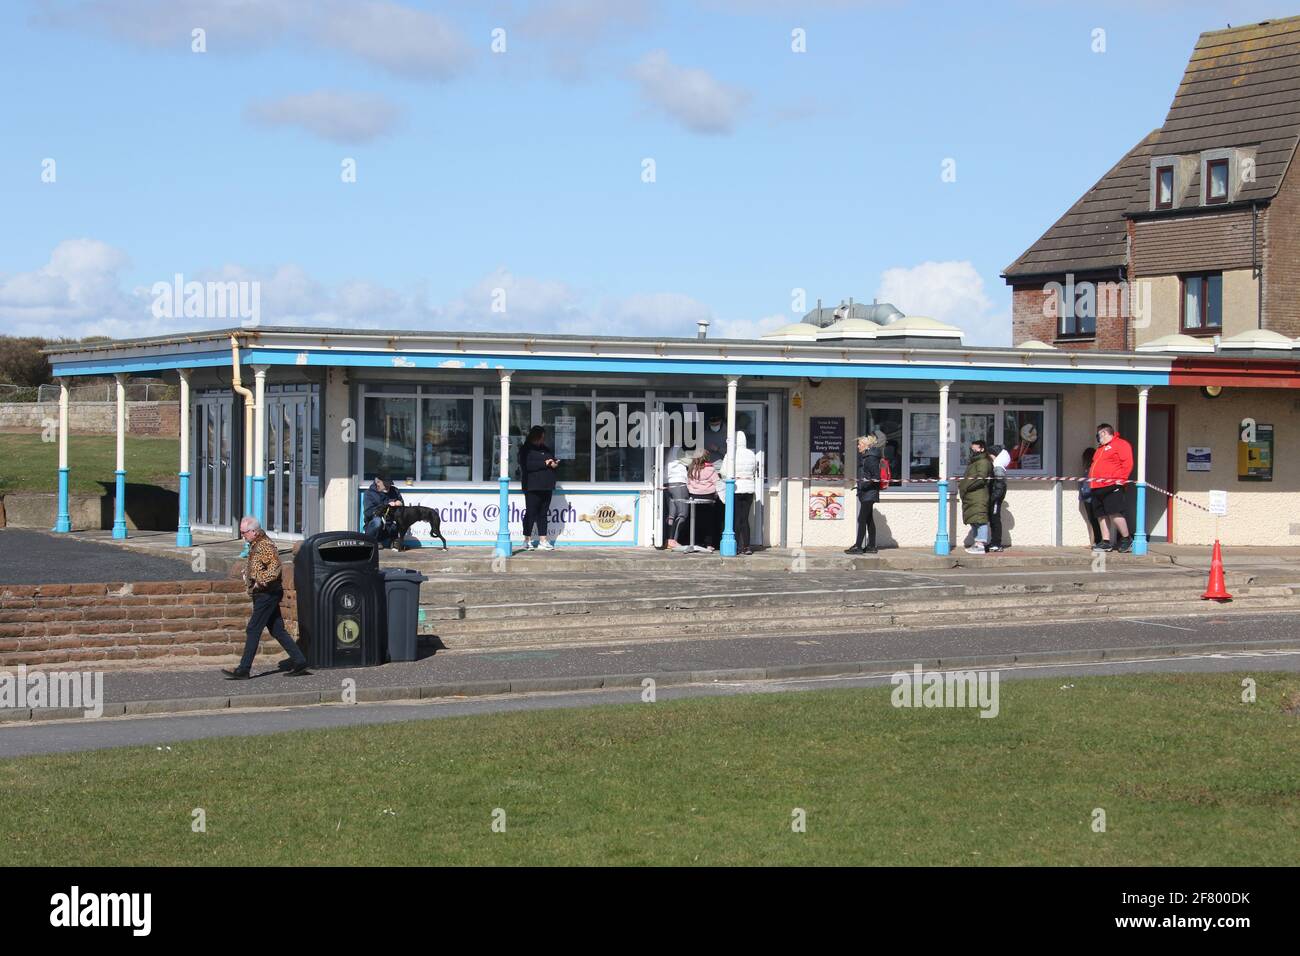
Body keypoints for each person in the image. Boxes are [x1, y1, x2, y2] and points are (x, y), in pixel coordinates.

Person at [222, 515, 309, 679]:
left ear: (254, 531)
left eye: (244, 532)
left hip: (267, 593)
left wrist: (260, 582)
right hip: (265, 593)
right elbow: (259, 565)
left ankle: (244, 669)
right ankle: (300, 661)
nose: (243, 536)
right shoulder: (256, 543)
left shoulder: (265, 545)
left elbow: (275, 567)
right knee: (277, 630)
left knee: (253, 629)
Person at [1089, 423, 1134, 552]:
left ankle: (1126, 539)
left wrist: (1122, 479)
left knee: (1114, 512)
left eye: (1098, 434)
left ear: (1103, 433)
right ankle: (1106, 541)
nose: (1097, 437)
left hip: (1112, 485)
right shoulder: (1100, 449)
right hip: (1096, 486)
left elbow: (1128, 462)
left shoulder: (1120, 444)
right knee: (1100, 514)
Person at [518, 425, 559, 551]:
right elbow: (527, 466)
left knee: (543, 514)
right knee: (531, 513)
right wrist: (544, 463)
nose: (543, 439)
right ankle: (527, 540)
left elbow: (551, 459)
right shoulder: (525, 449)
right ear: (536, 436)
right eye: (542, 437)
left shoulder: (545, 448)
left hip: (546, 486)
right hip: (532, 486)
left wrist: (554, 463)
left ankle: (543, 540)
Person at [721, 430, 758, 555]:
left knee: (736, 518)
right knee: (745, 518)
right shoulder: (751, 454)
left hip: (736, 488)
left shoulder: (731, 454)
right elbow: (754, 469)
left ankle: (736, 546)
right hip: (749, 489)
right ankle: (746, 546)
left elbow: (724, 471)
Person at [846, 435, 882, 554]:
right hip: (866, 492)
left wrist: (864, 485)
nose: (858, 446)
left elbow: (876, 477)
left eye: (860, 444)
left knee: (861, 519)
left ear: (866, 446)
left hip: (869, 493)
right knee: (868, 519)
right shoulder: (867, 457)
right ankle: (871, 546)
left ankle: (858, 546)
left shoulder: (870, 458)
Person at [959, 439, 992, 554]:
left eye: (975, 448)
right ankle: (977, 542)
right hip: (971, 496)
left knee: (980, 519)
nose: (972, 450)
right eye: (971, 448)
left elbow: (981, 478)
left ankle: (980, 544)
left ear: (982, 448)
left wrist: (967, 487)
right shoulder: (974, 462)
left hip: (978, 496)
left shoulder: (983, 462)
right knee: (974, 519)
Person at [686, 450, 721, 551]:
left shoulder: (691, 469)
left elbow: (688, 483)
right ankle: (709, 544)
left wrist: (693, 490)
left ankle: (696, 542)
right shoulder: (711, 469)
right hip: (708, 497)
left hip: (694, 496)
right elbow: (717, 483)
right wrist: (716, 494)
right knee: (709, 522)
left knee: (695, 521)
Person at [362, 472, 403, 548]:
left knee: (402, 517)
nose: (388, 486)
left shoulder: (395, 491)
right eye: (385, 484)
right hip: (376, 527)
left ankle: (394, 541)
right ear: (378, 482)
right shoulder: (369, 493)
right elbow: (368, 513)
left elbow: (402, 505)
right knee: (377, 521)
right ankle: (373, 541)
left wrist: (399, 503)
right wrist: (386, 506)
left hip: (389, 526)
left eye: (390, 484)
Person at [664, 445, 691, 549]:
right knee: (682, 513)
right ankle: (674, 540)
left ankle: (668, 539)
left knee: (671, 515)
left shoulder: (665, 449)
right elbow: (688, 462)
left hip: (667, 483)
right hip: (678, 482)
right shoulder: (677, 448)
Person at [987, 444, 1010, 552]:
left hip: (996, 497)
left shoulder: (998, 466)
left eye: (990, 455)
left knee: (995, 519)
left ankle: (996, 543)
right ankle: (994, 542)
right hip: (996, 496)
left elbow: (1000, 484)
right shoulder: (997, 465)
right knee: (993, 519)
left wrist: (994, 497)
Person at [1079, 447, 1103, 547]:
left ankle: (1096, 541)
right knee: (1093, 520)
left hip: (1090, 497)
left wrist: (1083, 496)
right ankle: (1094, 541)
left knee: (1094, 520)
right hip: (1088, 497)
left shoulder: (1090, 470)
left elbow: (1086, 486)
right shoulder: (1089, 470)